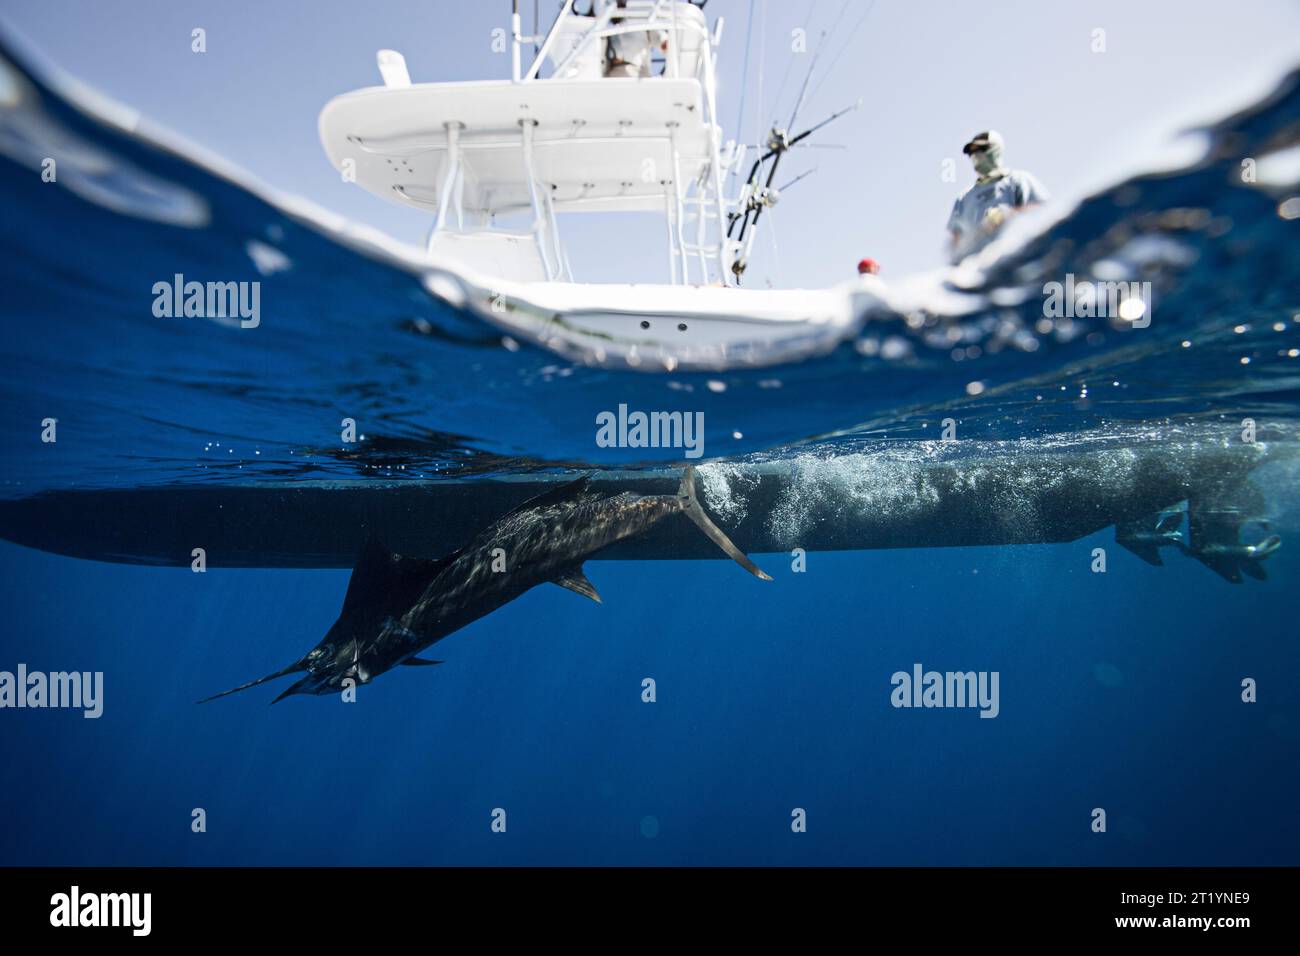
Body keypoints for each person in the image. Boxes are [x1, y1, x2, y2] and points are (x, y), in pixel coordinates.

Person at [947, 130, 1048, 263]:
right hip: (975, 269)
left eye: (982, 149)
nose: (976, 156)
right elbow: (954, 241)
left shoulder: (1019, 180)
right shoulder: (963, 199)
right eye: (972, 152)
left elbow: (1044, 212)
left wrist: (1006, 215)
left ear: (996, 150)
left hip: (1013, 258)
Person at [604, 0, 668, 77]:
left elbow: (661, 40)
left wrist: (665, 44)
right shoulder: (605, 16)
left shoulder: (641, 15)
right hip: (613, 72)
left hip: (638, 72)